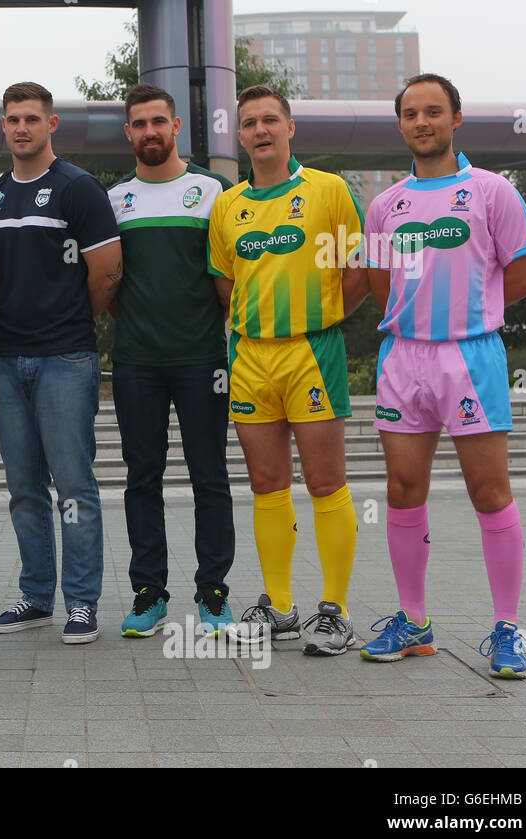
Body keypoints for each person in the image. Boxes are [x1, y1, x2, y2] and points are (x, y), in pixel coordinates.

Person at [360, 73, 526, 678]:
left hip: (470, 355)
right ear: (401, 124)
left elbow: (524, 275)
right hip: (402, 357)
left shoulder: (492, 191)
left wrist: (470, 312)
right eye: (411, 113)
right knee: (402, 490)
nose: (422, 122)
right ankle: (414, 622)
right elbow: (382, 287)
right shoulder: (385, 205)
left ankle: (508, 628)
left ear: (456, 118)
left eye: (434, 111)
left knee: (489, 492)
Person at [208, 84, 369, 656]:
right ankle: (279, 607)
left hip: (312, 352)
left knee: (325, 482)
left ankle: (335, 612)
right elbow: (226, 284)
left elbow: (358, 271)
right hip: (250, 356)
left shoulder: (328, 190)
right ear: (240, 135)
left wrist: (322, 318)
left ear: (290, 127)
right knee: (267, 484)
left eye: (271, 120)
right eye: (250, 122)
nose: (261, 130)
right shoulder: (227, 205)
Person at [0, 82, 123, 645]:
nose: (22, 128)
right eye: (13, 119)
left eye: (32, 119)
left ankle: (82, 604)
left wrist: (67, 320)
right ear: (3, 125)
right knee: (24, 488)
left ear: (51, 124)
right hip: (6, 361)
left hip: (66, 357)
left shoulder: (78, 188)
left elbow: (107, 272)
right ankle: (36, 597)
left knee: (74, 486)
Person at [105, 84, 236, 638]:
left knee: (211, 477)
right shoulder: (114, 199)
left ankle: (213, 593)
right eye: (139, 123)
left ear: (176, 126)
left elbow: (228, 278)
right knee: (142, 478)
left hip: (202, 358)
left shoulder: (214, 190)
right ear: (128, 132)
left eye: (159, 121)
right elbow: (108, 281)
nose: (150, 131)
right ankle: (149, 593)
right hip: (136, 361)